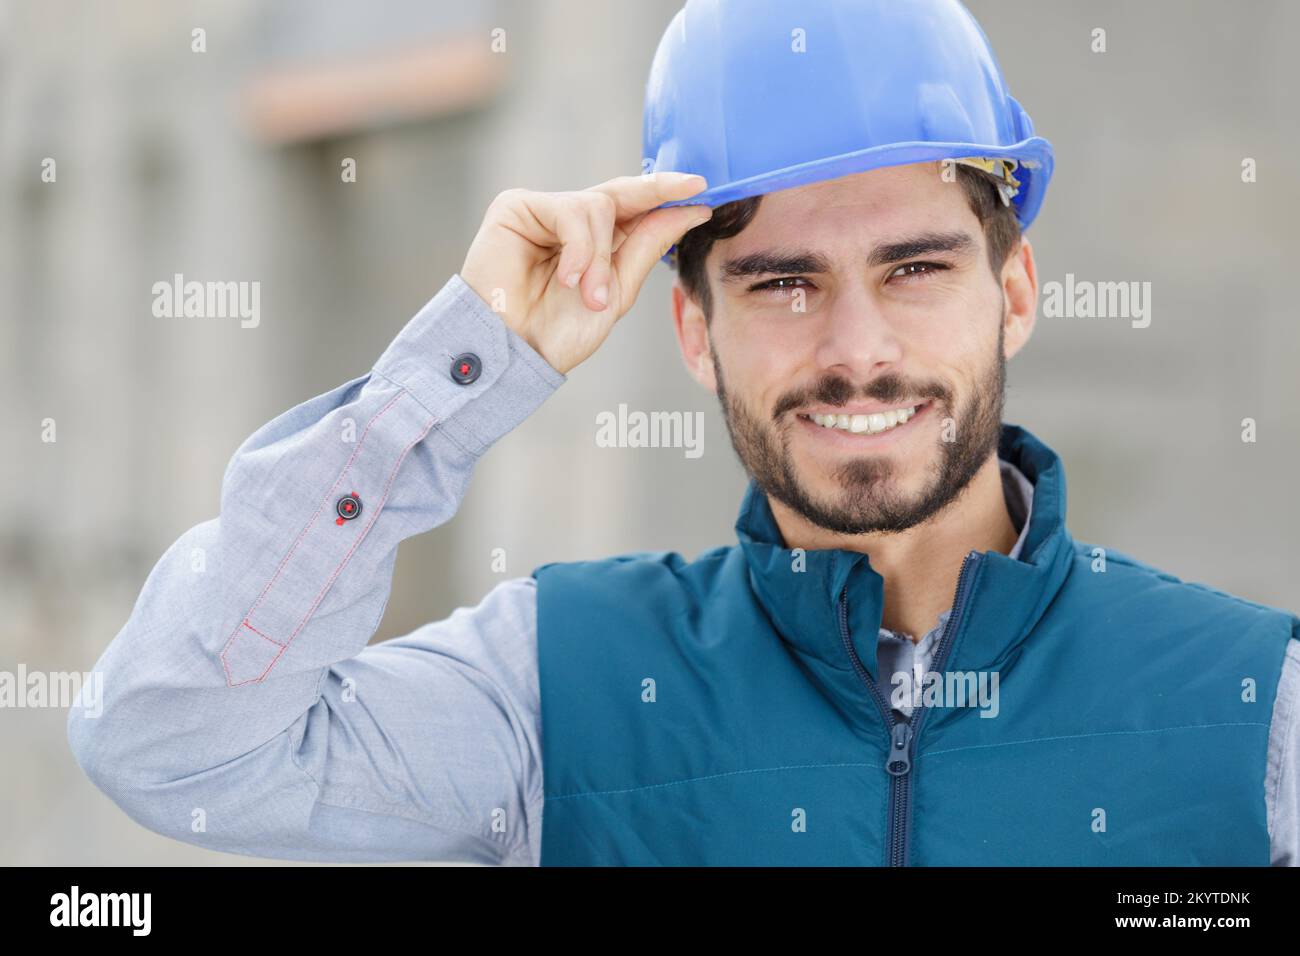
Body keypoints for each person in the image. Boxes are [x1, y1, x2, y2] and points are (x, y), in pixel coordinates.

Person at [68, 0, 1298, 866]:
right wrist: (467, 367)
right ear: (694, 329)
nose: (857, 349)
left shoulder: (1252, 705)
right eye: (780, 282)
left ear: (1015, 292)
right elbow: (169, 743)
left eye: (914, 267)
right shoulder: (557, 686)